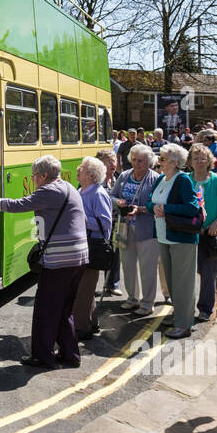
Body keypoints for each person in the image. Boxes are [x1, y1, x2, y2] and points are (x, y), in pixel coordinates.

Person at [0, 155, 87, 369]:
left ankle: (42, 357)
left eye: (34, 175)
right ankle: (70, 354)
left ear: (44, 176)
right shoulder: (68, 187)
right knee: (64, 308)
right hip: (79, 257)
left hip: (59, 260)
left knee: (45, 310)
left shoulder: (48, 191)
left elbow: (14, 205)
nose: (33, 179)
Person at [151, 143, 202, 338]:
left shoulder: (182, 180)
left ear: (174, 162)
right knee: (172, 281)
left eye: (162, 159)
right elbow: (150, 200)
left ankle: (184, 324)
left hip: (182, 238)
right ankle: (178, 316)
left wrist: (166, 209)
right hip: (164, 236)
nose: (159, 161)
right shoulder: (161, 179)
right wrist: (152, 207)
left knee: (183, 283)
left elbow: (192, 207)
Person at [109, 143, 162, 315]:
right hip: (125, 228)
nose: (136, 163)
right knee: (128, 266)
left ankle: (147, 303)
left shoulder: (155, 179)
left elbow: (159, 204)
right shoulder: (124, 176)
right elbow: (111, 196)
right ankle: (132, 298)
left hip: (147, 230)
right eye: (134, 160)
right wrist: (119, 202)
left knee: (147, 268)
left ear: (149, 162)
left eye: (140, 161)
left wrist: (140, 209)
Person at [190, 143, 217, 322]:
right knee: (187, 273)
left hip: (210, 235)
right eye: (195, 158)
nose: (199, 161)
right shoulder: (185, 179)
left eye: (203, 158)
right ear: (190, 162)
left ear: (209, 161)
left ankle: (205, 309)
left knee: (208, 274)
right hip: (188, 233)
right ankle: (184, 306)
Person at [73, 156, 113, 341]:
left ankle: (82, 328)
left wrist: (82, 219)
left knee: (83, 290)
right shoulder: (82, 190)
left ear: (90, 175)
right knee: (86, 289)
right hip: (84, 246)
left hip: (93, 247)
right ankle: (92, 322)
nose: (77, 169)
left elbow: (105, 223)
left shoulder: (98, 193)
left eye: (81, 168)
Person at [96, 148, 124, 295]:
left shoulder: (118, 177)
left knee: (115, 252)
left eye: (115, 161)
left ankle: (112, 284)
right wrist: (115, 201)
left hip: (116, 221)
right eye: (110, 162)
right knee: (98, 253)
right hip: (99, 224)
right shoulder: (95, 180)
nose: (114, 164)